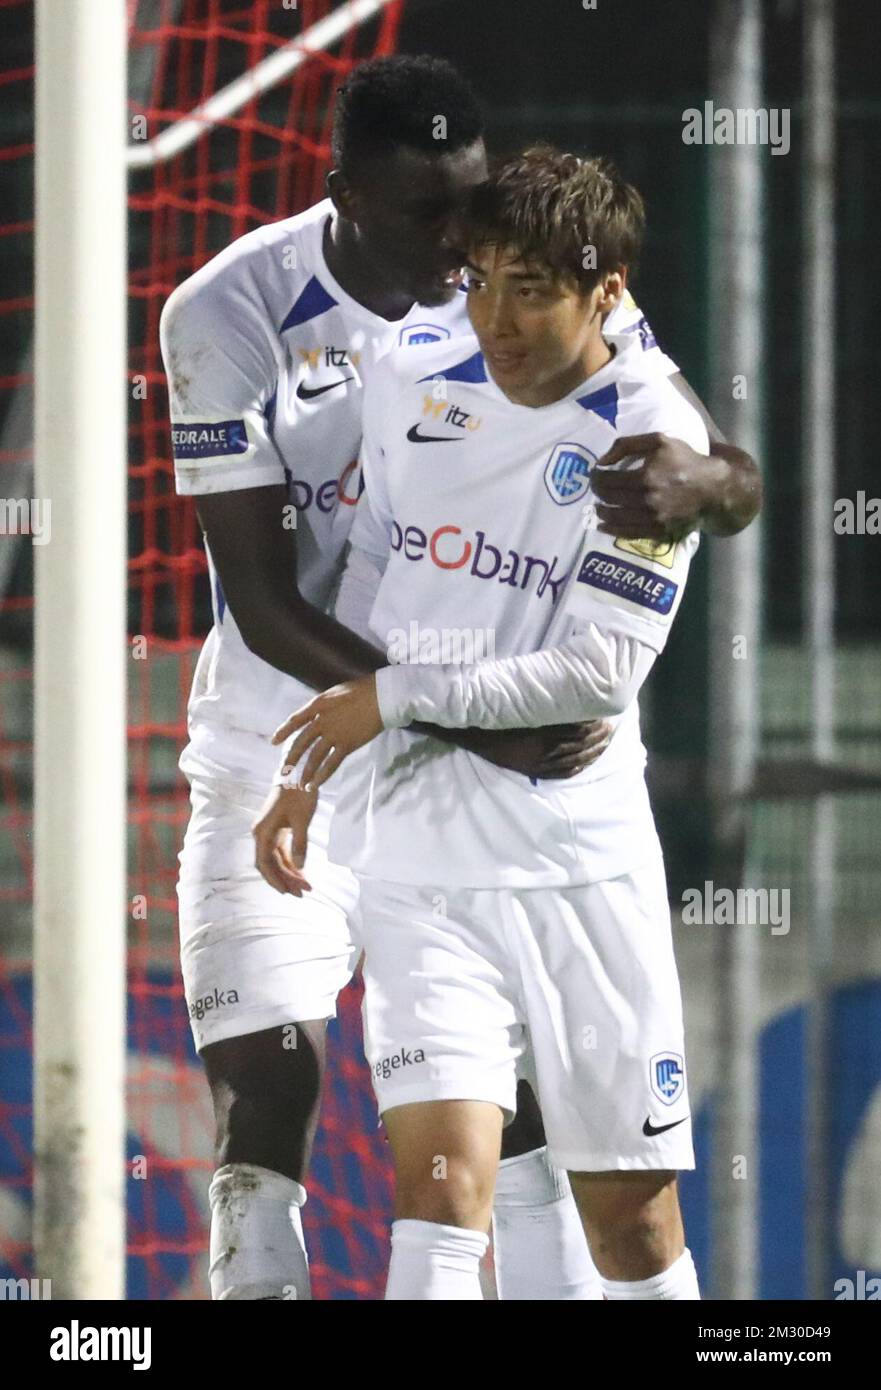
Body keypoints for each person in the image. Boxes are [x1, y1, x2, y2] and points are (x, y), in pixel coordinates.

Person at [162, 54, 759, 1301]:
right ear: (342, 192)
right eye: (430, 221)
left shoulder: (532, 303)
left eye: (473, 212)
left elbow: (701, 467)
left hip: (540, 819)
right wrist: (411, 725)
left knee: (580, 1192)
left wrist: (708, 486)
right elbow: (270, 605)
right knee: (300, 1145)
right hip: (311, 752)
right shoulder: (239, 313)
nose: (461, 251)